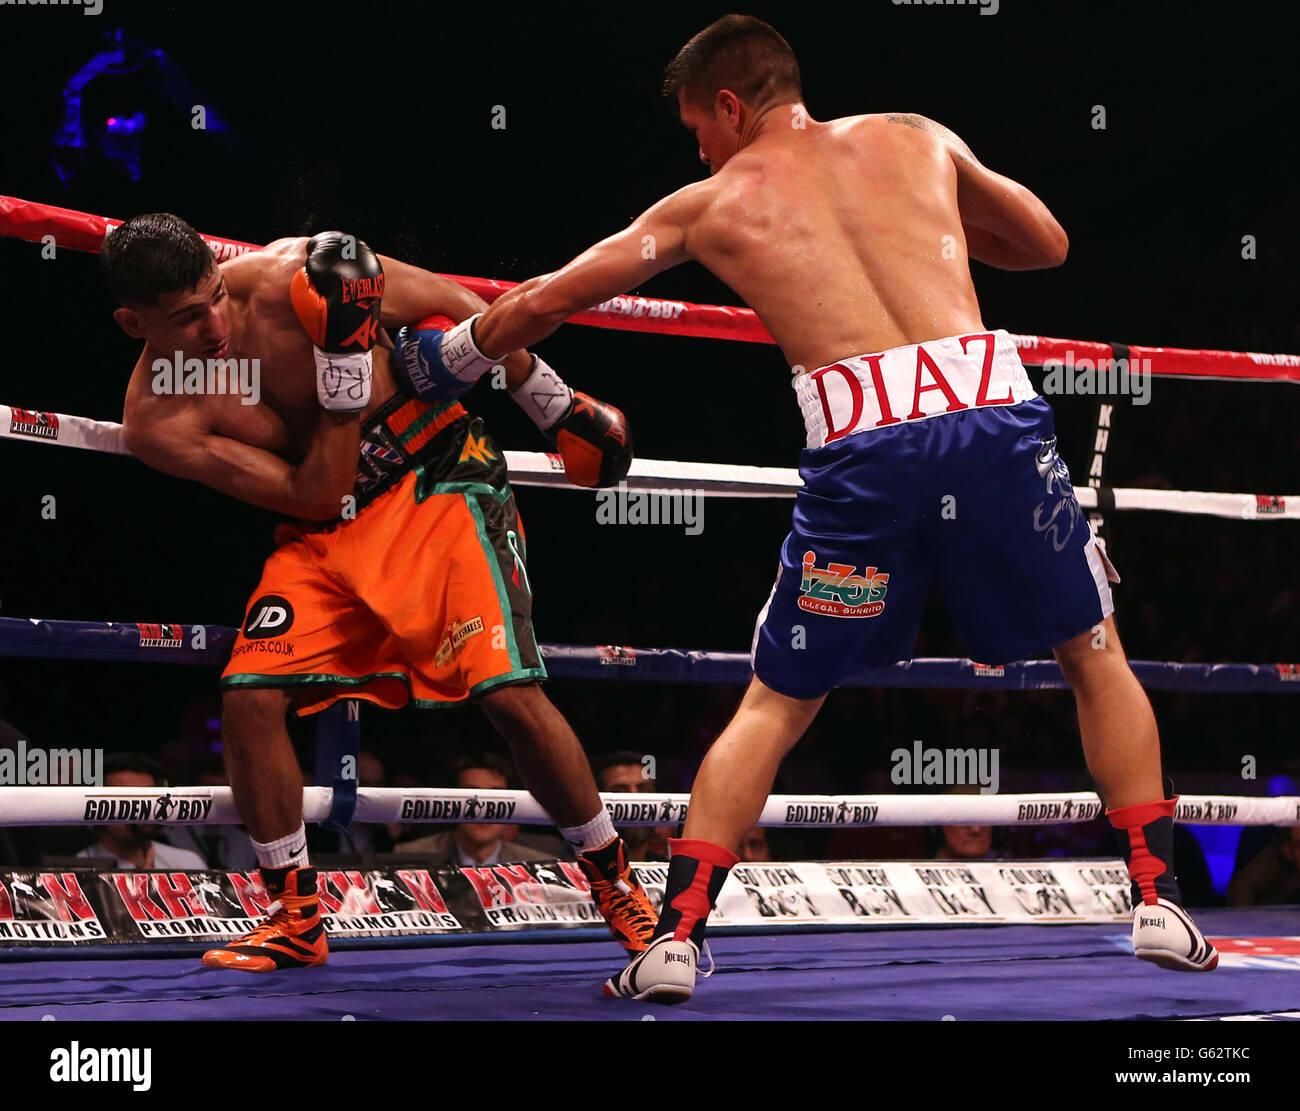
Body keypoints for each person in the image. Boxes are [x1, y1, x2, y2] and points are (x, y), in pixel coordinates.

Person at [447, 14, 1218, 999]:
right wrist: (922, 217)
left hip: (863, 448)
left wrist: (454, 350)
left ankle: (676, 936)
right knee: (1091, 652)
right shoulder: (916, 136)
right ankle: (1157, 898)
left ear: (730, 104)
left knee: (778, 699)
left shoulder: (707, 202)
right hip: (991, 416)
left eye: (697, 125)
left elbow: (556, 294)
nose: (697, 147)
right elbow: (1044, 243)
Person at [105, 214, 656, 972]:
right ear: (133, 323)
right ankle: (295, 916)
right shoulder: (159, 418)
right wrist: (340, 375)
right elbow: (315, 493)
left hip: (440, 472)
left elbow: (456, 300)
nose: (213, 325)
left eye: (213, 297)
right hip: (332, 518)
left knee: (508, 692)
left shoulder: (294, 275)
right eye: (185, 317)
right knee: (249, 695)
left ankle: (616, 881)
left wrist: (548, 399)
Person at [394, 753, 554, 867]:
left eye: (495, 797)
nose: (483, 809)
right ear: (451, 802)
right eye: (472, 797)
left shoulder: (538, 865)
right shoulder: (410, 857)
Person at [76, 754, 208, 870]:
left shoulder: (187, 863)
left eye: (148, 797)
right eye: (127, 800)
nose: (141, 809)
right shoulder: (78, 869)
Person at [597, 751, 672, 860]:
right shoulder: (575, 870)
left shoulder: (668, 869)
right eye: (620, 792)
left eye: (644, 790)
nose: (635, 800)